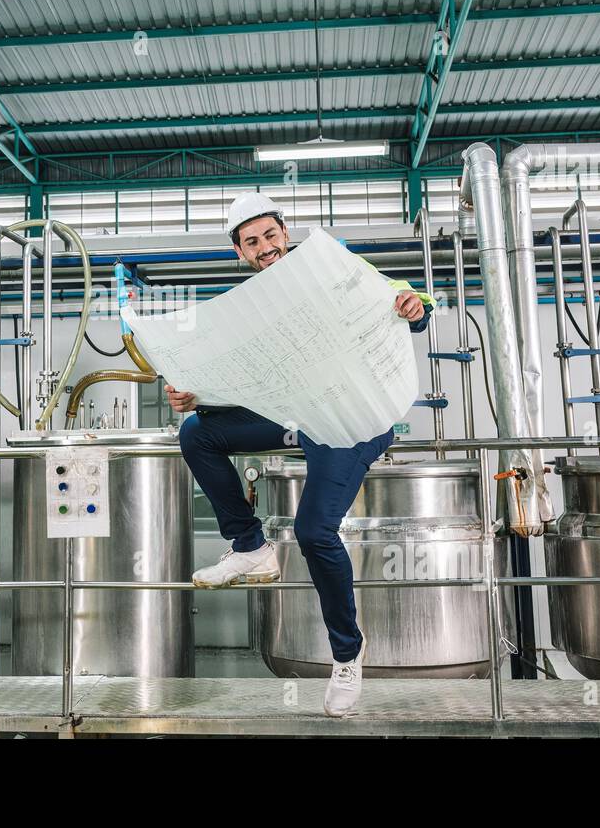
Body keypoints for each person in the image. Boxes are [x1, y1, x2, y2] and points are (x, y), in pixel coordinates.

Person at [168, 191, 433, 717]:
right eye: (251, 242)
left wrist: (416, 305)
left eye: (270, 235)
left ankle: (347, 656)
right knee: (197, 431)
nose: (264, 247)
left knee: (314, 531)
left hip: (354, 419)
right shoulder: (251, 306)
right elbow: (245, 378)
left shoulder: (332, 266)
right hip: (300, 415)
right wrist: (195, 394)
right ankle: (249, 546)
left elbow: (403, 296)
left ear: (285, 233)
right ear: (239, 253)